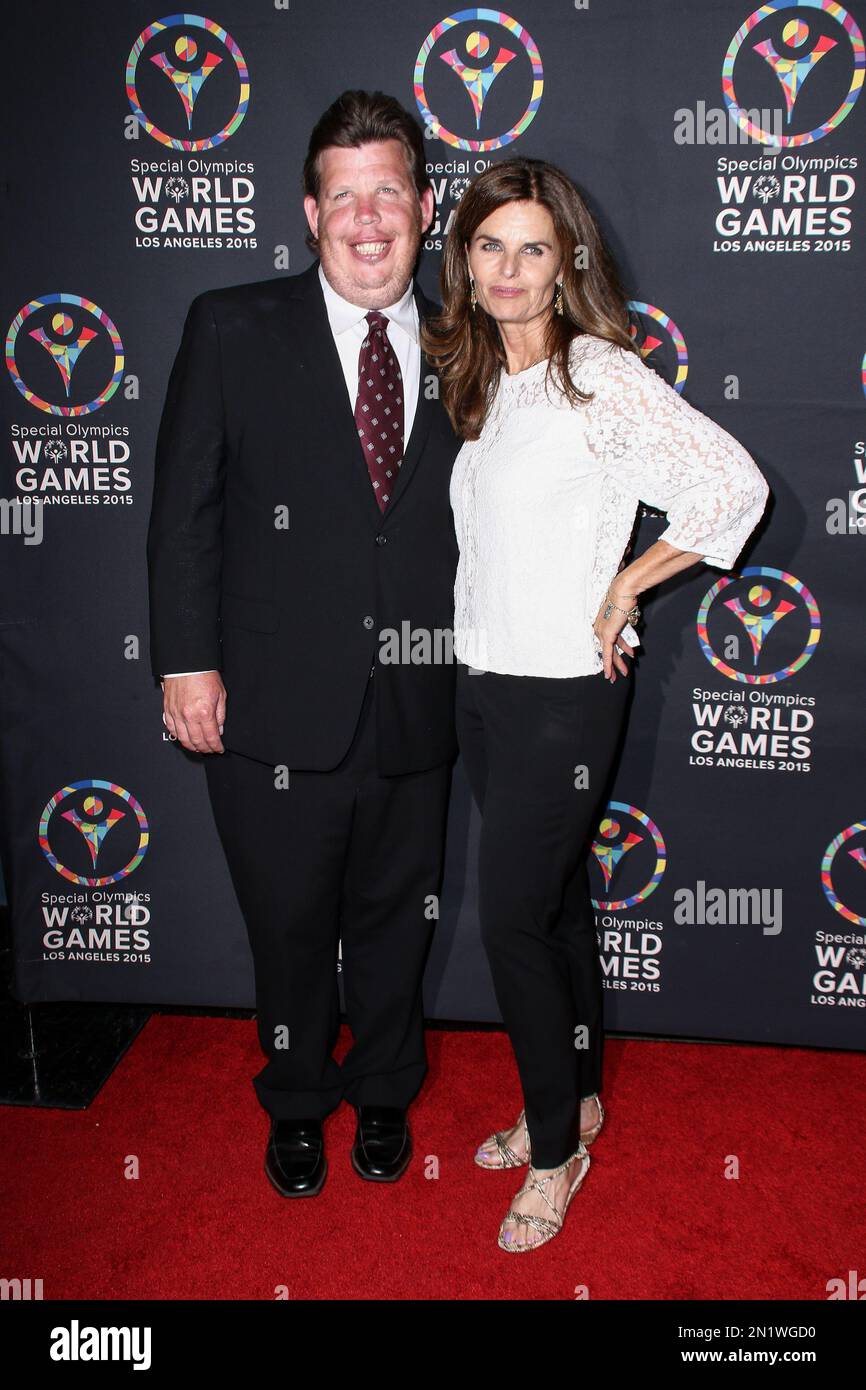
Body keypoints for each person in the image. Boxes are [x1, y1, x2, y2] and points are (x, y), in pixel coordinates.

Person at [422, 158, 769, 1252]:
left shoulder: (594, 373)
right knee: (558, 907)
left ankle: (553, 1151)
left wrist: (624, 585)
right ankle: (570, 1099)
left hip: (564, 696)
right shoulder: (486, 382)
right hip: (484, 681)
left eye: (533, 247)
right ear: (464, 261)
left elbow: (733, 486)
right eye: (489, 246)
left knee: (513, 919)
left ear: (566, 261)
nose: (509, 270)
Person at [146, 90, 460, 1197]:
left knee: (394, 917)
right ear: (308, 212)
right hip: (269, 698)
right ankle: (293, 1100)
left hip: (423, 697)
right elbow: (184, 506)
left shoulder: (475, 343)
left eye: (388, 193)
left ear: (425, 207)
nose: (367, 219)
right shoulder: (231, 325)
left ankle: (382, 1092)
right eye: (344, 197)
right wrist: (184, 660)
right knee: (285, 924)